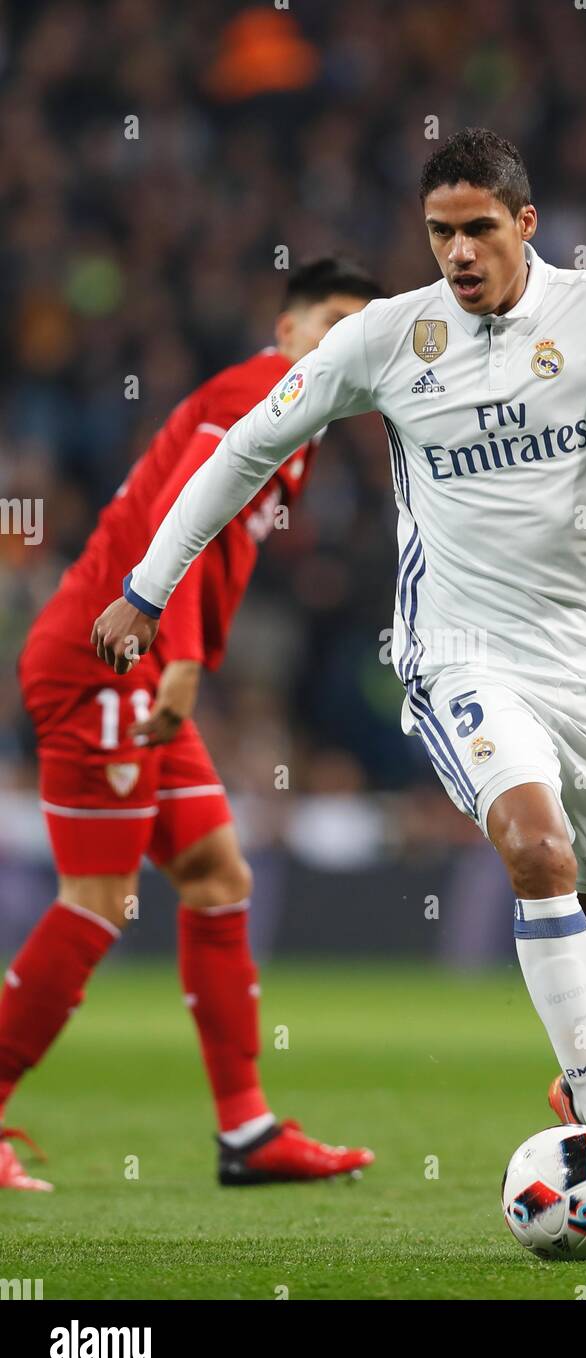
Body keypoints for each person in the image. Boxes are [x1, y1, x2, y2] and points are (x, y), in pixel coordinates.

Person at [93, 129, 586, 1232]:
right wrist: (146, 588)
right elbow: (243, 449)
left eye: (477, 230)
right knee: (533, 847)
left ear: (525, 225)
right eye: (439, 233)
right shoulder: (387, 337)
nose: (457, 253)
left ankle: (583, 1088)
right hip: (459, 652)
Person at [3, 258, 381, 1192]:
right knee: (98, 897)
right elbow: (189, 509)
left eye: (360, 333)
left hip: (140, 664)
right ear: (286, 327)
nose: (344, 345)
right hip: (106, 659)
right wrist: (179, 659)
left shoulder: (299, 422)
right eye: (330, 321)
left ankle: (246, 1133)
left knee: (218, 872)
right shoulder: (259, 391)